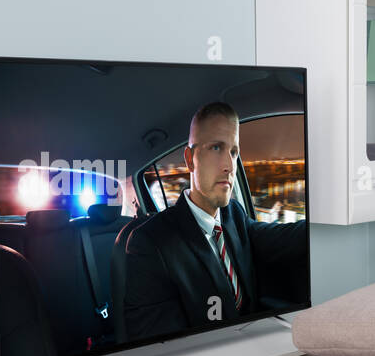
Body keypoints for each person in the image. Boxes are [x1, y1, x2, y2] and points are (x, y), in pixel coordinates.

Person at [122, 101, 305, 339]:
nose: (230, 165)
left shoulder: (234, 215)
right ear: (190, 160)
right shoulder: (149, 244)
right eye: (216, 148)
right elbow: (159, 348)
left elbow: (287, 238)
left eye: (234, 152)